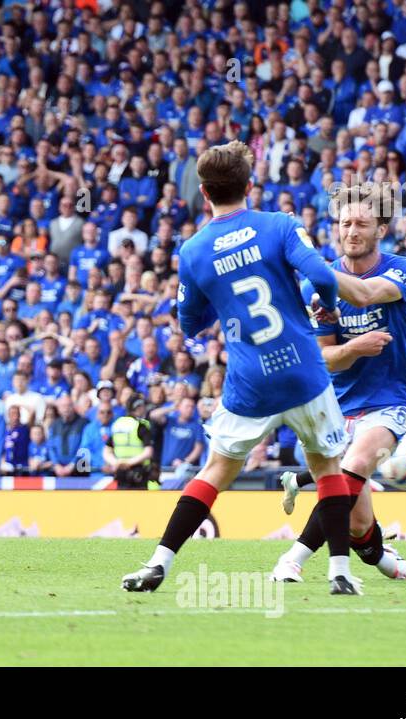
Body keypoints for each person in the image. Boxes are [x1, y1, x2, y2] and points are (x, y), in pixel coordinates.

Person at [122, 141, 360, 596]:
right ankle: (340, 574)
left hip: (250, 383)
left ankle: (158, 563)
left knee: (215, 472)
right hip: (304, 372)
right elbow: (326, 278)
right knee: (328, 467)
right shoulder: (279, 225)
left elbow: (190, 324)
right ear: (249, 185)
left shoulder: (193, 250)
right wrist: (326, 310)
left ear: (205, 194)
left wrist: (224, 302)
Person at [272, 183, 406, 583]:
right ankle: (391, 564)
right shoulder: (316, 288)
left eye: (362, 223)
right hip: (337, 406)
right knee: (359, 526)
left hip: (388, 400)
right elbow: (323, 358)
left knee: (357, 463)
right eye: (345, 223)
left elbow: (364, 295)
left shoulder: (404, 269)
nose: (351, 231)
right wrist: (354, 349)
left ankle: (291, 558)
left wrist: (314, 266)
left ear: (381, 229)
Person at [104, 395, 158, 489]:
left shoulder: (117, 424)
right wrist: (129, 462)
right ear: (138, 407)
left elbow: (106, 450)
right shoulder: (141, 425)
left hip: (120, 472)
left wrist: (116, 463)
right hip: (138, 472)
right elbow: (148, 452)